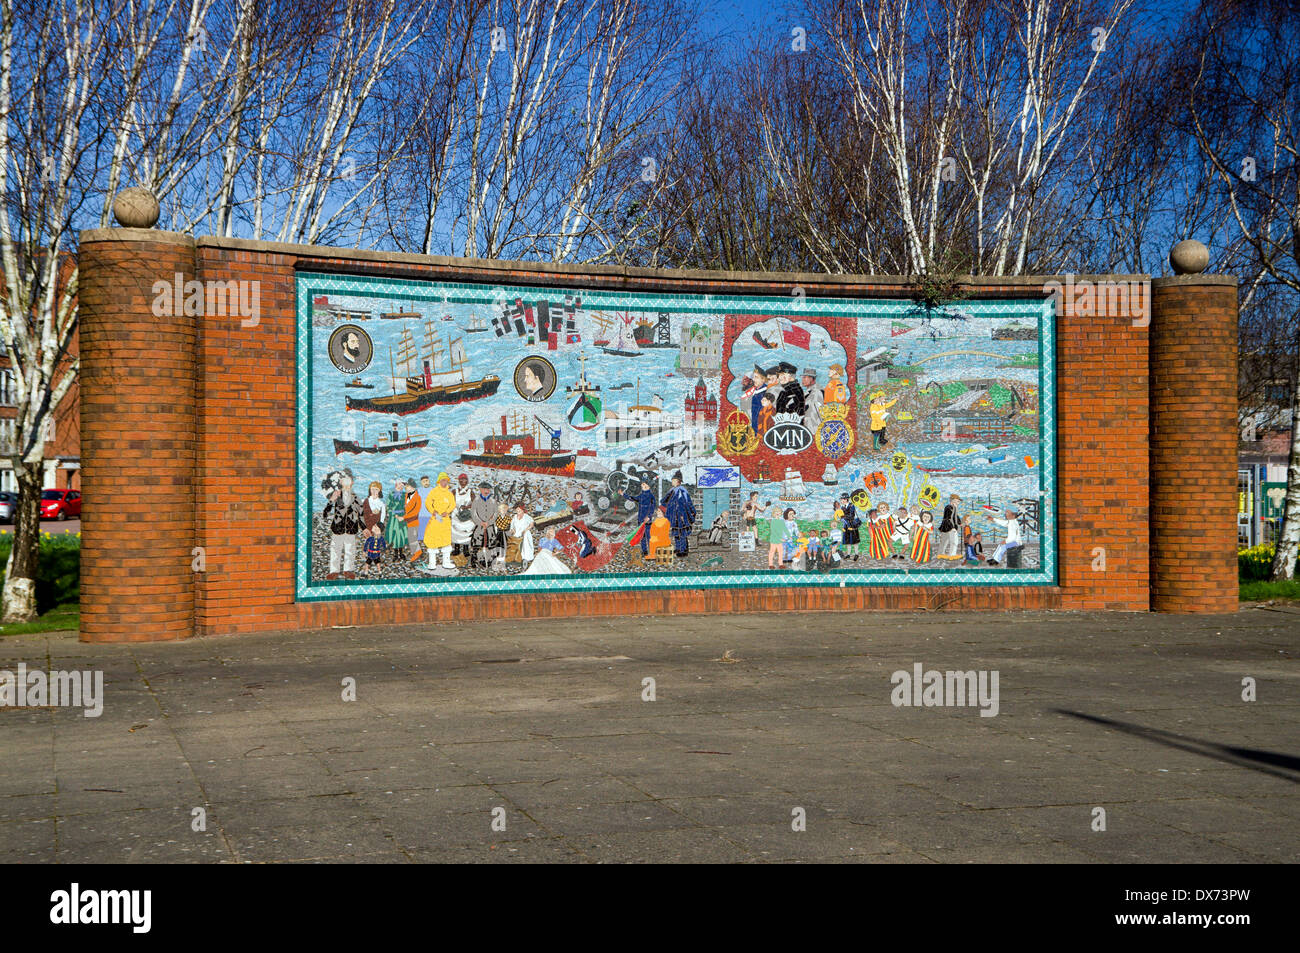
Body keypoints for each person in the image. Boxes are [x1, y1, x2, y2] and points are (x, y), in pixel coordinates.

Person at [323, 471, 364, 580]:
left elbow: (361, 513)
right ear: (341, 482)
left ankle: (348, 570)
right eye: (344, 479)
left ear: (352, 482)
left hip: (351, 527)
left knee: (350, 549)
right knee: (335, 548)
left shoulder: (355, 497)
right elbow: (326, 512)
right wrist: (332, 500)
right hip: (338, 527)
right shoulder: (337, 494)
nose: (346, 482)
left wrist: (364, 528)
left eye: (348, 480)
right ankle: (334, 571)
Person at [422, 472, 457, 573]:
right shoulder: (434, 491)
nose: (444, 482)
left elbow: (452, 504)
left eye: (446, 480)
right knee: (433, 538)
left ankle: (446, 562)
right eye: (442, 480)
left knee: (446, 540)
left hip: (445, 518)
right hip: (436, 517)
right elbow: (428, 502)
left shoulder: (449, 493)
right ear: (439, 481)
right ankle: (432, 563)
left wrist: (448, 511)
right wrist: (433, 511)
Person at [662, 471, 697, 557]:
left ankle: (683, 550)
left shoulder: (682, 491)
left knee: (682, 533)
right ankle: (678, 548)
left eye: (673, 480)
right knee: (676, 533)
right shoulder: (672, 490)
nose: (672, 482)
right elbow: (665, 501)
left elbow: (686, 503)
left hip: (681, 516)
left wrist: (686, 514)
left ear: (678, 481)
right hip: (675, 516)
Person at [623, 478, 657, 558]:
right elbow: (633, 498)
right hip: (640, 520)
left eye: (644, 484)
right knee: (642, 536)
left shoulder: (651, 496)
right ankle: (644, 551)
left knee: (649, 536)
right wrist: (623, 494)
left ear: (649, 486)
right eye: (642, 484)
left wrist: (649, 517)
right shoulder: (641, 495)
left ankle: (652, 552)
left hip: (647, 521)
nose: (642, 486)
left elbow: (652, 508)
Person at [470, 481, 498, 564]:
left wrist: (489, 522)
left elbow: (495, 513)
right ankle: (474, 559)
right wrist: (480, 522)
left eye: (488, 489)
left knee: (491, 542)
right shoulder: (476, 500)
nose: (486, 491)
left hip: (489, 526)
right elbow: (473, 513)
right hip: (479, 526)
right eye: (484, 489)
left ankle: (488, 559)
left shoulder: (493, 501)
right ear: (480, 489)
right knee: (477, 542)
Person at [384, 478, 410, 562]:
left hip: (402, 517)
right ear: (396, 484)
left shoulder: (404, 494)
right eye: (400, 484)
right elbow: (388, 506)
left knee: (402, 534)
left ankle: (401, 552)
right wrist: (394, 515)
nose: (401, 486)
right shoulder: (391, 494)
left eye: (402, 485)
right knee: (395, 535)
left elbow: (407, 505)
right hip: (394, 518)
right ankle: (395, 554)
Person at [506, 504, 536, 568]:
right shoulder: (514, 517)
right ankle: (515, 559)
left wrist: (526, 530)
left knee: (524, 546)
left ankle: (525, 559)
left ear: (522, 510)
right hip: (516, 533)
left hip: (524, 533)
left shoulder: (526, 517)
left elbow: (531, 524)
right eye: (517, 510)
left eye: (519, 509)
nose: (518, 511)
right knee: (514, 545)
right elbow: (512, 525)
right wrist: (512, 530)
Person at [836, 493, 861, 561]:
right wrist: (841, 518)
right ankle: (848, 554)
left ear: (847, 499)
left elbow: (851, 516)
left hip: (852, 525)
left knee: (855, 541)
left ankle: (856, 554)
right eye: (841, 499)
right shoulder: (842, 507)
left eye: (843, 499)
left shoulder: (851, 506)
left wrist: (843, 517)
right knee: (848, 541)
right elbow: (841, 516)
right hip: (846, 526)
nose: (842, 501)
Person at [938, 494, 964, 560]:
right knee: (954, 541)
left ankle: (941, 553)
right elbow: (949, 518)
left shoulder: (952, 507)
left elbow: (956, 516)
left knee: (945, 540)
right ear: (953, 500)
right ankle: (952, 554)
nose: (958, 503)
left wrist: (959, 523)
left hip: (946, 527)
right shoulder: (949, 507)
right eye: (957, 501)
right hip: (949, 526)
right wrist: (952, 527)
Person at [744, 366, 768, 431]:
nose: (754, 380)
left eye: (756, 377)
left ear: (763, 379)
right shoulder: (756, 391)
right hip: (754, 424)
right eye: (753, 377)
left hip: (761, 426)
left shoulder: (764, 392)